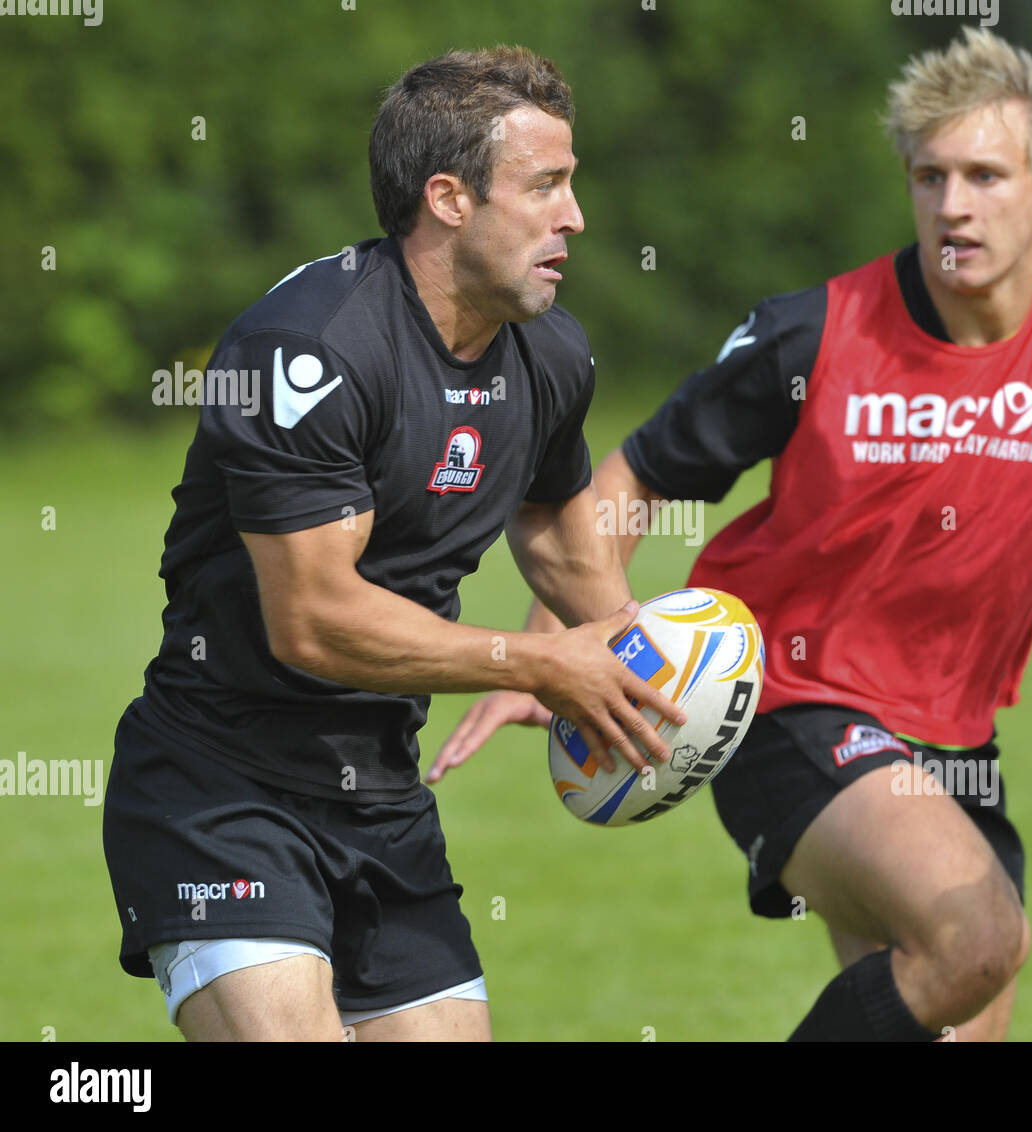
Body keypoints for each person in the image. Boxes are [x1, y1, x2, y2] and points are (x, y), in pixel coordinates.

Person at [433, 28, 1032, 1041]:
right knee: (977, 935)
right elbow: (631, 479)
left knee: (952, 1009)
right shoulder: (815, 330)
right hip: (782, 695)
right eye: (930, 176)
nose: (953, 204)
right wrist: (565, 645)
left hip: (954, 736)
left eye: (985, 176)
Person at [101, 46, 684, 1042]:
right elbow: (314, 619)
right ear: (449, 198)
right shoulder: (313, 348)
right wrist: (538, 659)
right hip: (219, 788)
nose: (575, 218)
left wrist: (646, 671)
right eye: (545, 187)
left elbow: (551, 525)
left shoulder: (550, 353)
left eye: (572, 185)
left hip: (380, 790)